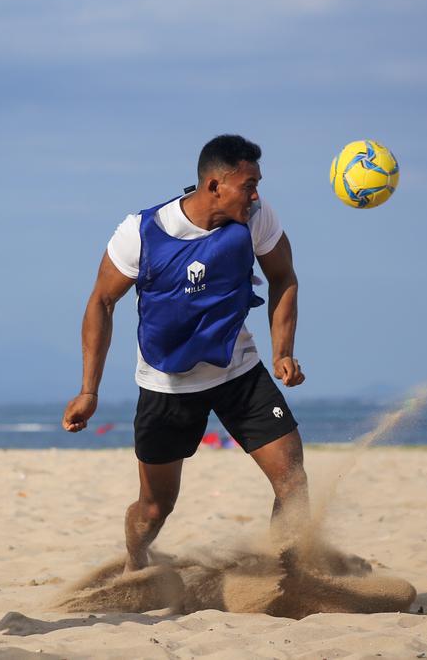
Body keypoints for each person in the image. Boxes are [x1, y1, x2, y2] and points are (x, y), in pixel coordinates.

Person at [61, 134, 309, 572]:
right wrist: (88, 390)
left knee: (292, 480)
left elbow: (284, 277)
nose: (256, 195)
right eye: (248, 184)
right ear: (214, 185)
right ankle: (136, 562)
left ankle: (284, 576)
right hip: (166, 384)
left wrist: (282, 351)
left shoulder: (255, 217)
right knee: (155, 509)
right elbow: (100, 302)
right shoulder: (141, 233)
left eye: (258, 184)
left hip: (238, 372)